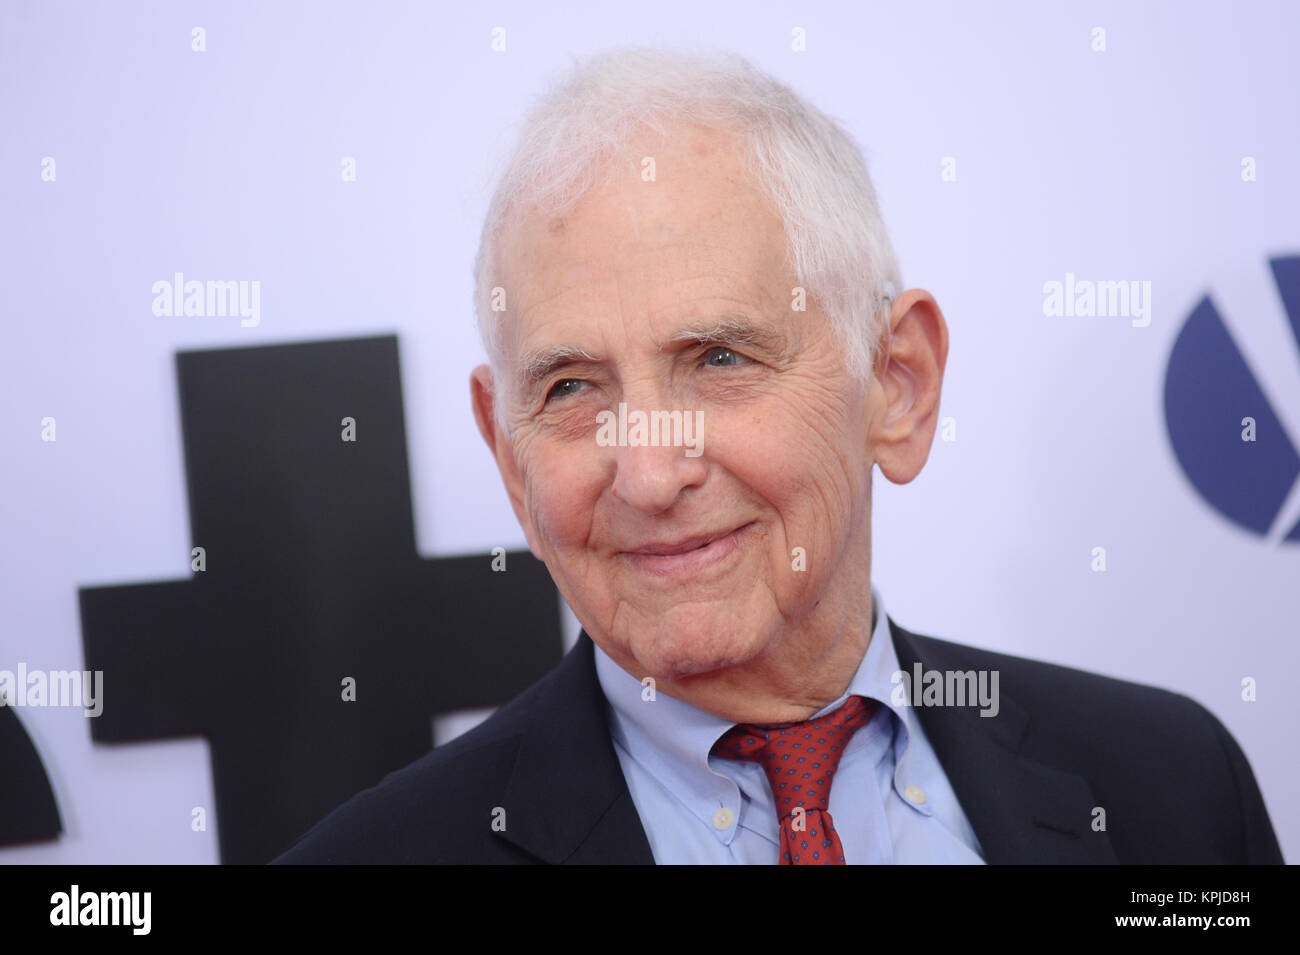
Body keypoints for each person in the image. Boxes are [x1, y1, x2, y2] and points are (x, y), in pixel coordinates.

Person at [274, 47, 1282, 865]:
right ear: (508, 453)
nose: (648, 474)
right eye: (572, 388)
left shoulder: (1167, 785)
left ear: (896, 383)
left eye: (718, 359)